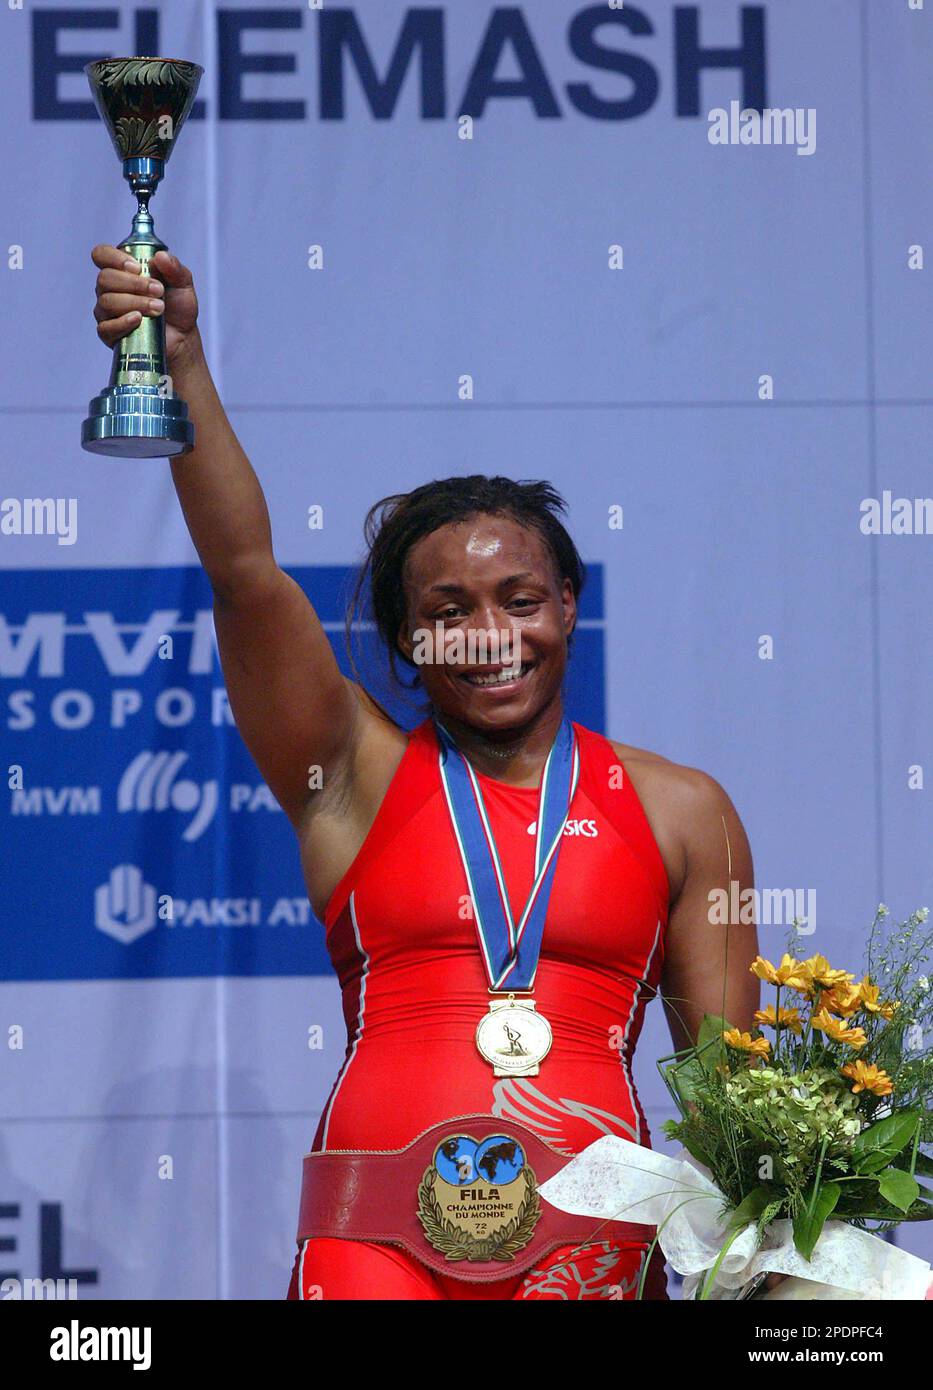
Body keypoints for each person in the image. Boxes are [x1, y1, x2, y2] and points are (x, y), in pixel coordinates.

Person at [90, 244, 761, 1301]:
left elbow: (738, 1098)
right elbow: (244, 574)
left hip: (597, 1252)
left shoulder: (682, 808)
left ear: (572, 607)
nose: (490, 634)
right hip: (376, 1247)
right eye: (448, 612)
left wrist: (791, 1275)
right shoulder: (352, 776)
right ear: (407, 642)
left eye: (521, 599)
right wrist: (180, 364)